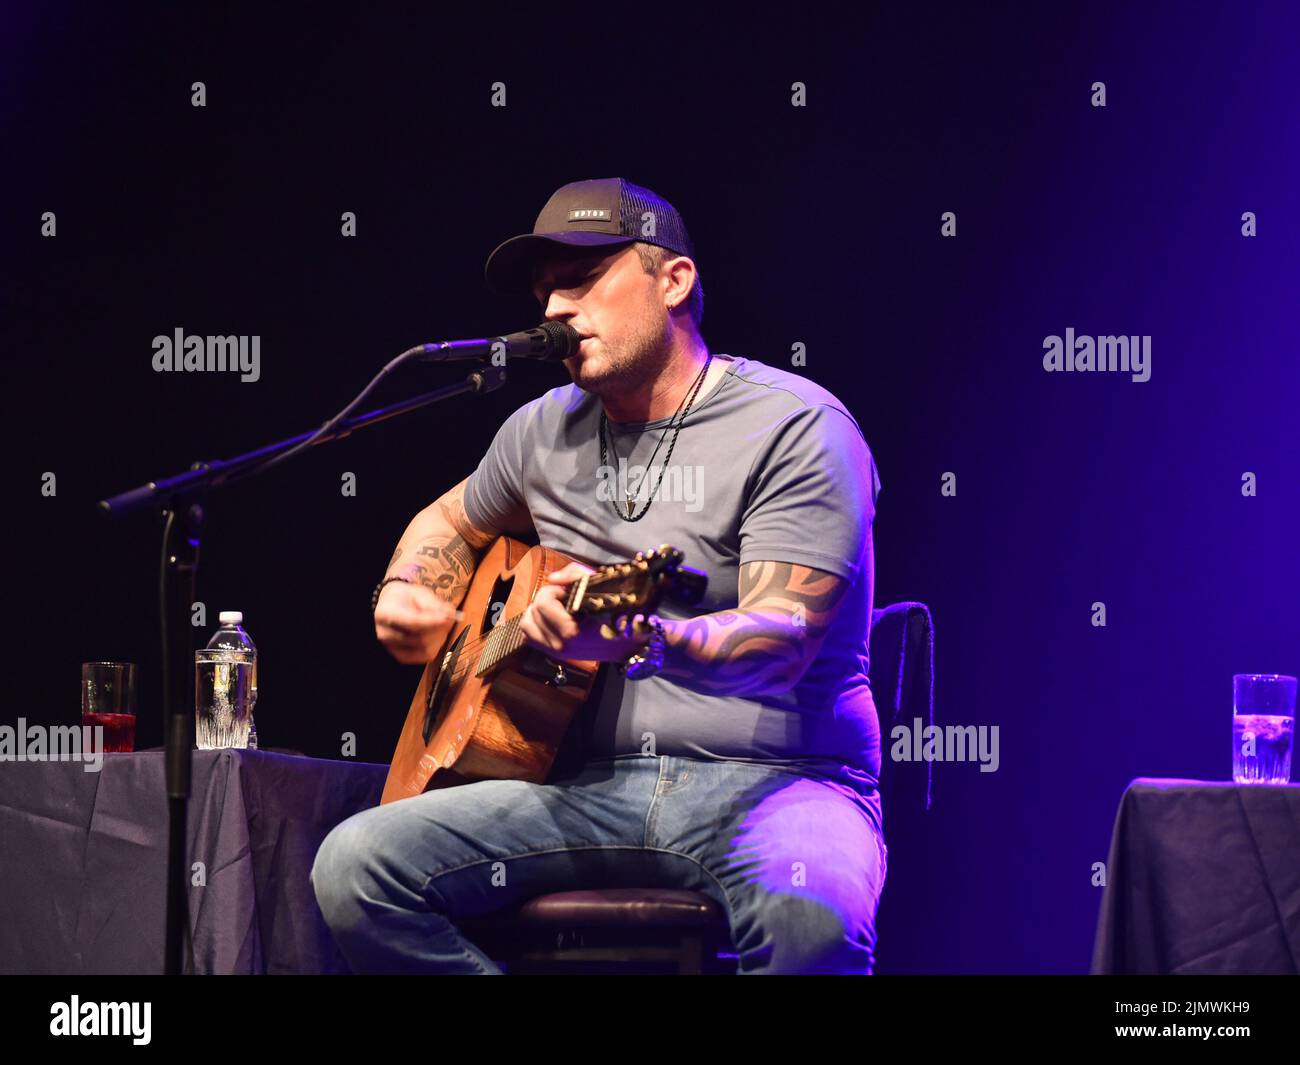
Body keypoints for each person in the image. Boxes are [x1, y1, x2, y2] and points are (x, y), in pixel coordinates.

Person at [310, 177, 887, 974]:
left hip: (779, 782)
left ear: (674, 281)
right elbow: (447, 520)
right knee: (355, 869)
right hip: (583, 785)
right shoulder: (541, 431)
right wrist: (409, 585)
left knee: (810, 917)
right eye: (545, 289)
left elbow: (783, 638)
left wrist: (644, 638)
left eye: (580, 279)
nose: (551, 308)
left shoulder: (795, 427)